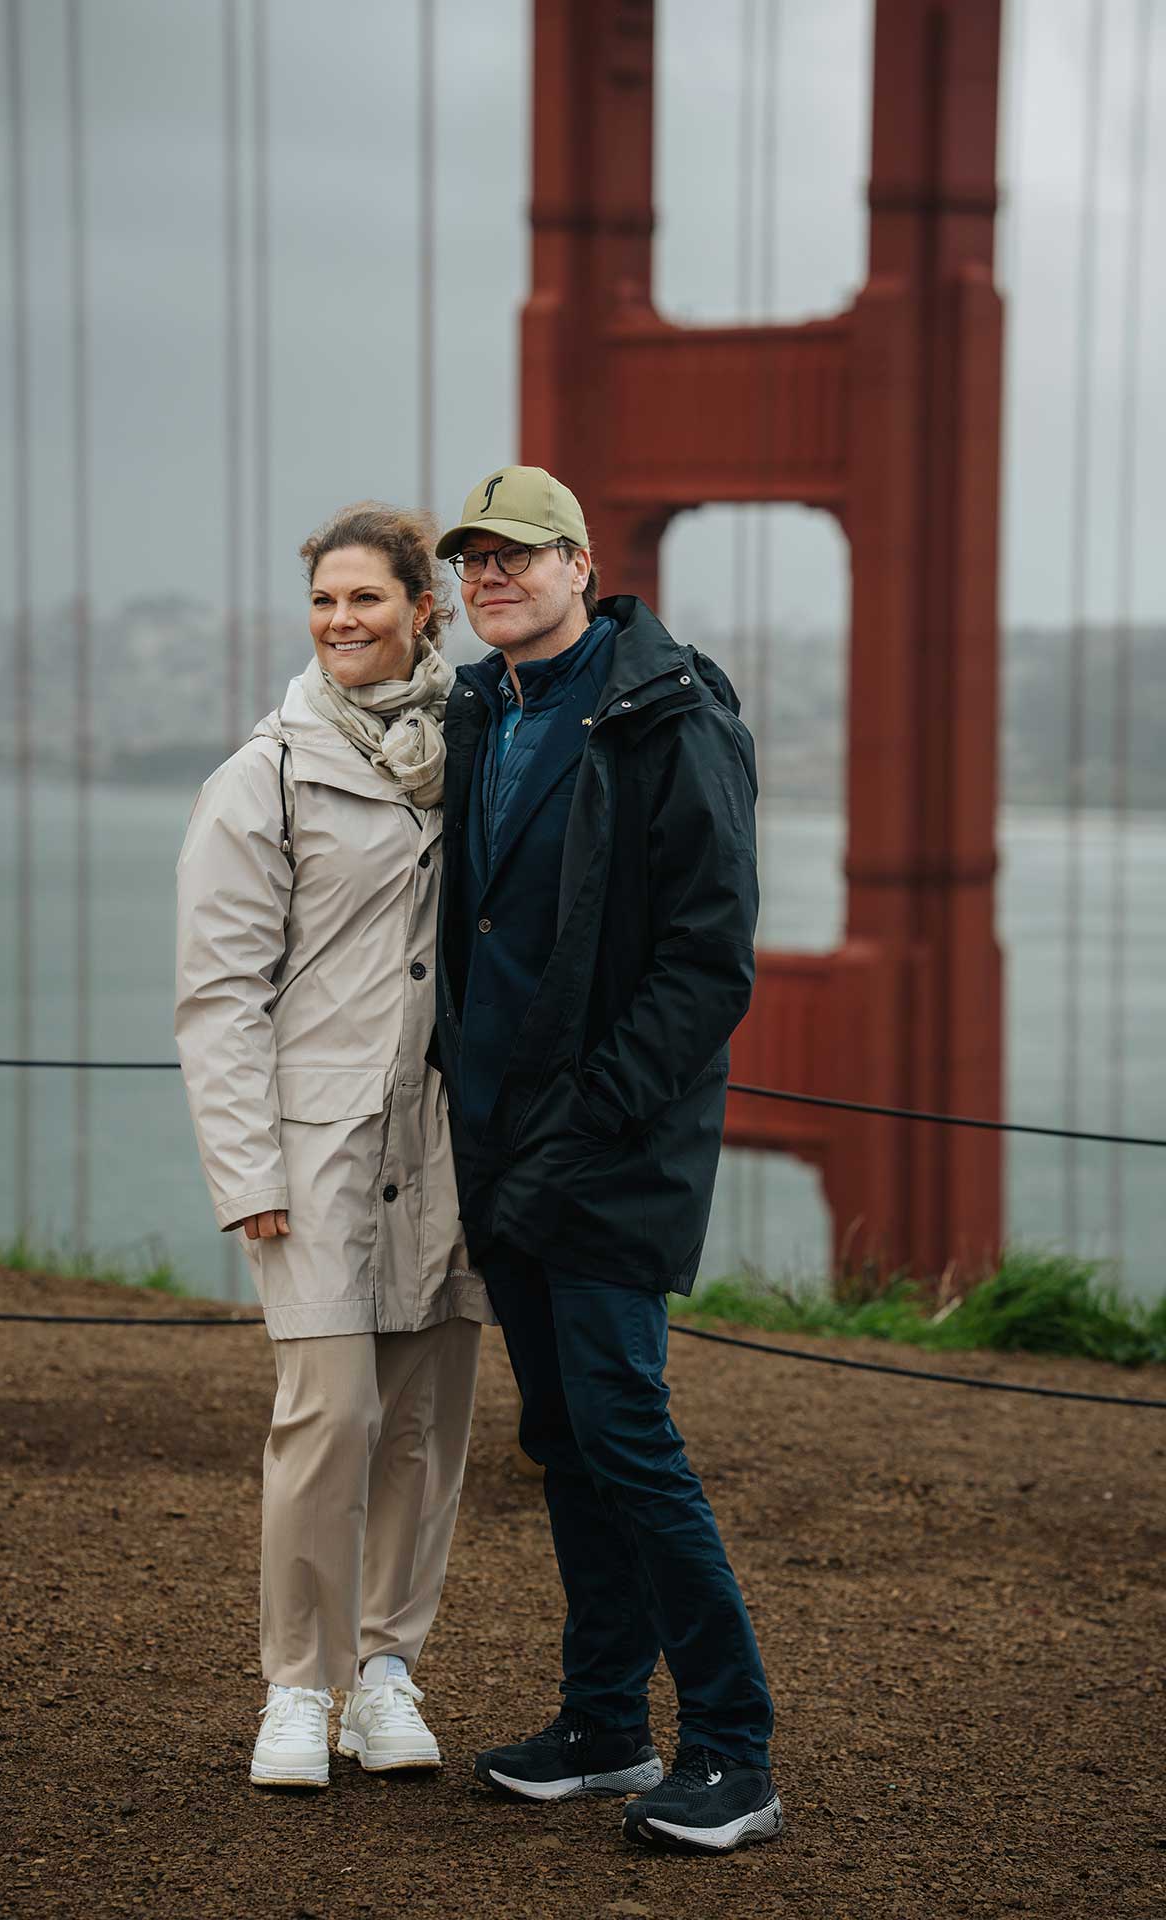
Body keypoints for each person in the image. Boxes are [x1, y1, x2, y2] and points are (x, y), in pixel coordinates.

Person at [430, 466, 781, 1855]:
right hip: (501, 1139)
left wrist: (594, 1112)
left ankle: (735, 1751)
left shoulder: (670, 716)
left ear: (583, 565)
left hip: (612, 1145)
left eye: (518, 555)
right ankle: (603, 1728)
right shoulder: (484, 709)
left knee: (629, 1437)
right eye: (473, 561)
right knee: (566, 1440)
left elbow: (709, 961)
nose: (491, 578)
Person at [175, 502, 491, 1792]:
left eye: (367, 598)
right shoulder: (268, 774)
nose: (342, 621)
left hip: (446, 1139)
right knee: (331, 1412)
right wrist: (244, 1167)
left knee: (424, 1422)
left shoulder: (480, 745)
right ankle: (298, 1687)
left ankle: (386, 1670)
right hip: (313, 1146)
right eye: (323, 600)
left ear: (426, 608)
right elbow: (218, 993)